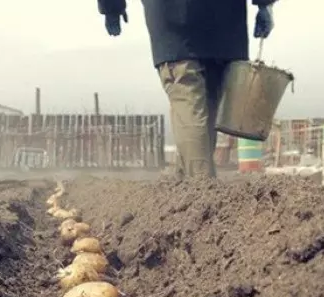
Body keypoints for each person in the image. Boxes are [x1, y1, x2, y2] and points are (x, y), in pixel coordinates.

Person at [97, 0, 277, 178]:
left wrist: (112, 8)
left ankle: (202, 190)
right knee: (207, 108)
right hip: (224, 22)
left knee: (188, 102)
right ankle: (189, 188)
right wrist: (264, 5)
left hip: (175, 26)